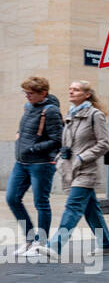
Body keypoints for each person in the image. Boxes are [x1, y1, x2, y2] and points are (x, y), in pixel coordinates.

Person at [44, 81, 109, 258]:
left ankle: (55, 245)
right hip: (70, 169)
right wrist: (59, 159)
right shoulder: (70, 115)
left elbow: (104, 143)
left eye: (75, 89)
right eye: (70, 89)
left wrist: (83, 157)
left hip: (86, 169)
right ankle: (105, 243)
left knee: (73, 206)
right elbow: (67, 143)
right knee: (91, 210)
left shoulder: (95, 115)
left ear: (87, 94)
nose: (71, 91)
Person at [8, 76, 63, 253]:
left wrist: (33, 148)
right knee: (12, 198)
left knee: (41, 203)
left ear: (43, 93)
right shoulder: (28, 107)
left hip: (41, 163)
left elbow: (58, 139)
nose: (27, 96)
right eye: (26, 92)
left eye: (30, 93)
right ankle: (30, 238)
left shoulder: (51, 111)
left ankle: (41, 243)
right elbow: (25, 128)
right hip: (21, 163)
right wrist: (19, 136)